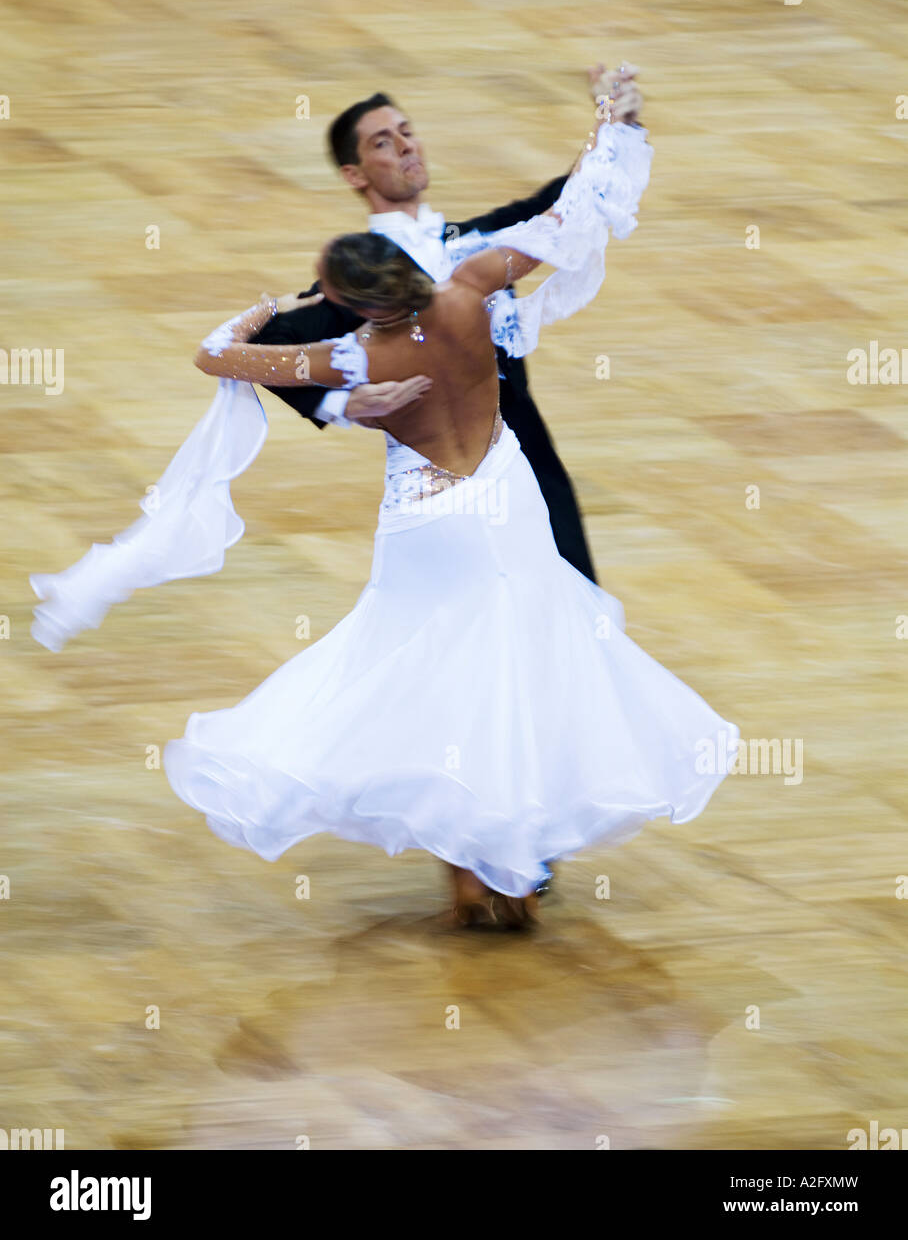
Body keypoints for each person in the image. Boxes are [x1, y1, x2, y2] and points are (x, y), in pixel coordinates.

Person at [161, 102, 740, 930]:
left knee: (434, 677)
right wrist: (613, 131)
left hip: (425, 528)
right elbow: (562, 221)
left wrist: (274, 322)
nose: (404, 147)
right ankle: (514, 868)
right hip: (507, 505)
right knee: (518, 668)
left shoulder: (354, 355)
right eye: (381, 142)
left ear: (349, 297)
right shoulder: (472, 289)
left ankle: (470, 877)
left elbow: (217, 354)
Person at [246, 65, 642, 585]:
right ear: (354, 173)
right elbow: (266, 341)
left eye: (408, 133)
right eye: (384, 143)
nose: (406, 147)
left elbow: (565, 199)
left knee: (569, 607)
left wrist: (615, 125)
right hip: (440, 480)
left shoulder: (474, 238)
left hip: (527, 454)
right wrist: (339, 403)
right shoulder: (364, 274)